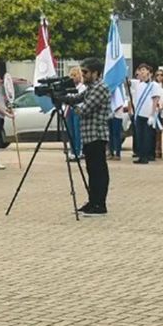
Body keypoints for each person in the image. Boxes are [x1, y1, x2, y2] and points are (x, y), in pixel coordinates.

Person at [72, 58, 111, 216]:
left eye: (86, 72)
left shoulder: (100, 88)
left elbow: (84, 109)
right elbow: (78, 99)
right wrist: (65, 98)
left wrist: (72, 105)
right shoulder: (91, 87)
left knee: (98, 171)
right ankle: (92, 201)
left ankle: (100, 204)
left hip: (96, 135)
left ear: (96, 73)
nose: (84, 75)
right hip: (89, 136)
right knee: (91, 170)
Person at [127, 64, 161, 165]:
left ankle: (146, 156)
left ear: (149, 72)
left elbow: (155, 99)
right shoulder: (139, 84)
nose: (141, 72)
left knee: (147, 136)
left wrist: (152, 114)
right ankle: (141, 156)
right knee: (139, 136)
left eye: (143, 70)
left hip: (148, 115)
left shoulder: (154, 85)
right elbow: (127, 83)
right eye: (140, 70)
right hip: (139, 114)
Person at [65, 66, 85, 161]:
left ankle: (78, 152)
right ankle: (72, 151)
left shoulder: (82, 87)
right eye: (71, 75)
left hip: (77, 110)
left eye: (75, 75)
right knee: (71, 132)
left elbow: (80, 100)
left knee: (77, 132)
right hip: (69, 110)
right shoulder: (69, 87)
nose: (72, 77)